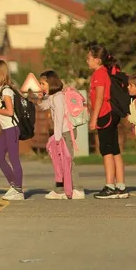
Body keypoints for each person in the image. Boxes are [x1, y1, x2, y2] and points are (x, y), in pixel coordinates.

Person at [87, 44, 128, 199]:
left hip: (105, 114)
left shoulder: (99, 74)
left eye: (89, 58)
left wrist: (94, 118)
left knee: (106, 151)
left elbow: (100, 97)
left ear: (97, 60)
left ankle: (110, 185)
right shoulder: (105, 72)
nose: (87, 61)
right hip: (111, 113)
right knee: (115, 149)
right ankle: (121, 186)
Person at [37, 70, 84, 200]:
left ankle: (78, 189)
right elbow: (43, 106)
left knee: (68, 161)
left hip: (65, 132)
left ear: (51, 83)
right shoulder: (53, 97)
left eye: (43, 83)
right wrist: (40, 99)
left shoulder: (58, 98)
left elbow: (59, 118)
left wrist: (57, 138)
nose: (41, 86)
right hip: (61, 132)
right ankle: (60, 189)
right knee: (60, 162)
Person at [0, 59, 24, 201]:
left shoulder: (6, 90)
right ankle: (14, 185)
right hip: (5, 129)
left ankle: (18, 190)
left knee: (14, 159)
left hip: (12, 128)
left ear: (0, 72)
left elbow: (9, 111)